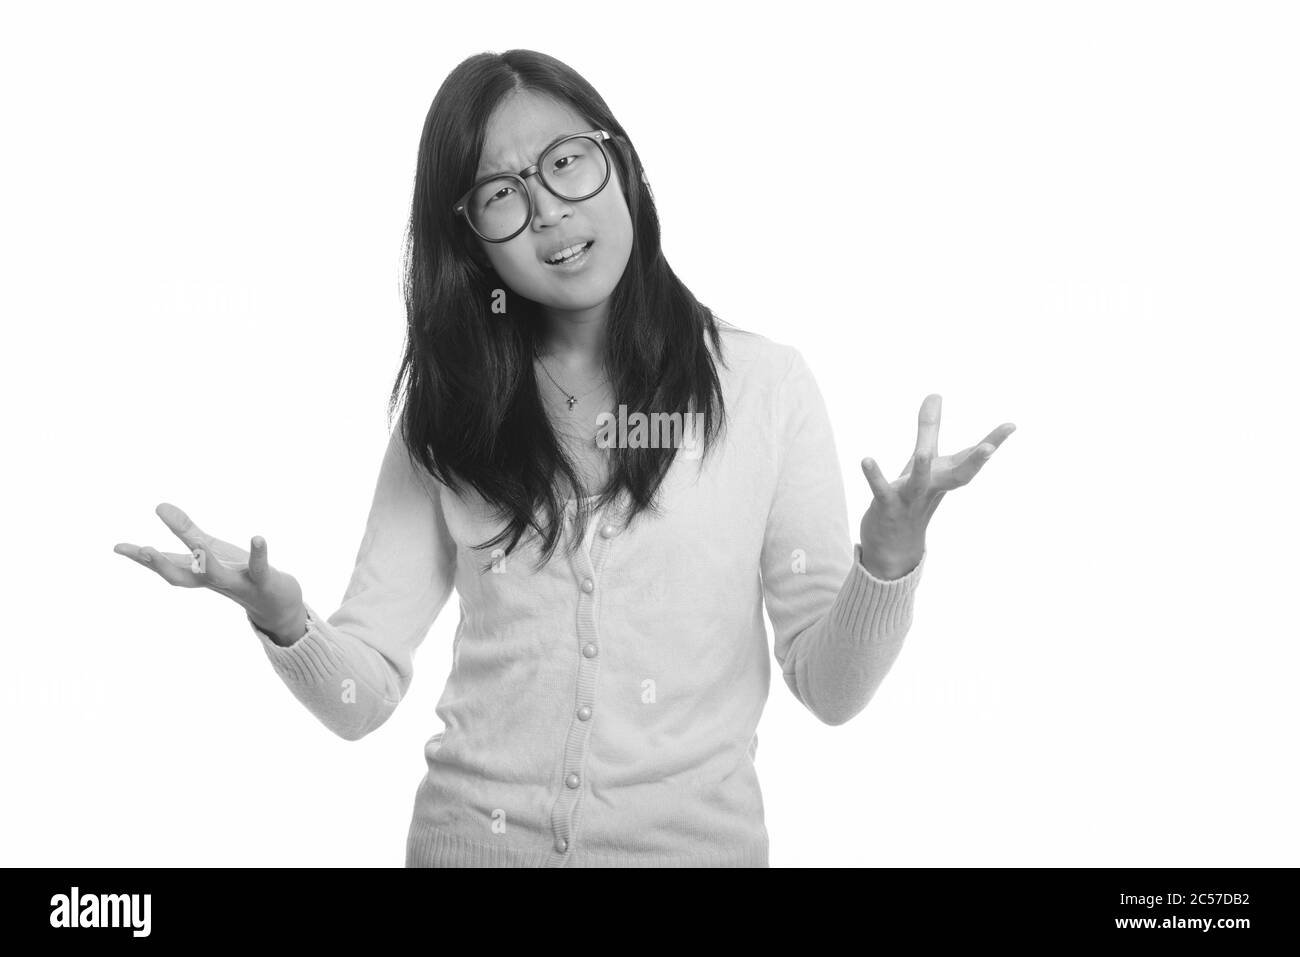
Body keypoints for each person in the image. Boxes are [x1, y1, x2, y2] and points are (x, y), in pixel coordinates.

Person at [114, 49, 1015, 867]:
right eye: (501, 194)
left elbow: (830, 686)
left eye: (565, 162)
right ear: (471, 237)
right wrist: (286, 621)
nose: (548, 210)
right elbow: (364, 693)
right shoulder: (450, 409)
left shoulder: (765, 390)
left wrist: (888, 563)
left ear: (616, 162)